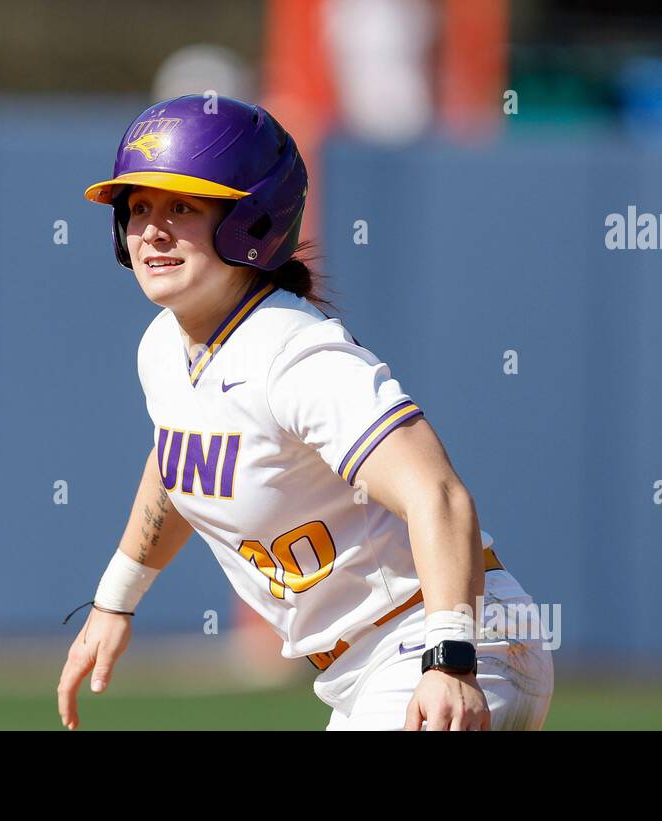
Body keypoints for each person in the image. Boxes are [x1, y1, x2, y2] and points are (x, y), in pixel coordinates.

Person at [57, 94, 554, 730]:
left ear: (252, 220)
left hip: (447, 639)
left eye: (182, 206)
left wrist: (450, 659)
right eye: (139, 207)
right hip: (368, 665)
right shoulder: (164, 346)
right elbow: (180, 462)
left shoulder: (295, 353)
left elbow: (439, 494)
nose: (152, 229)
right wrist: (114, 602)